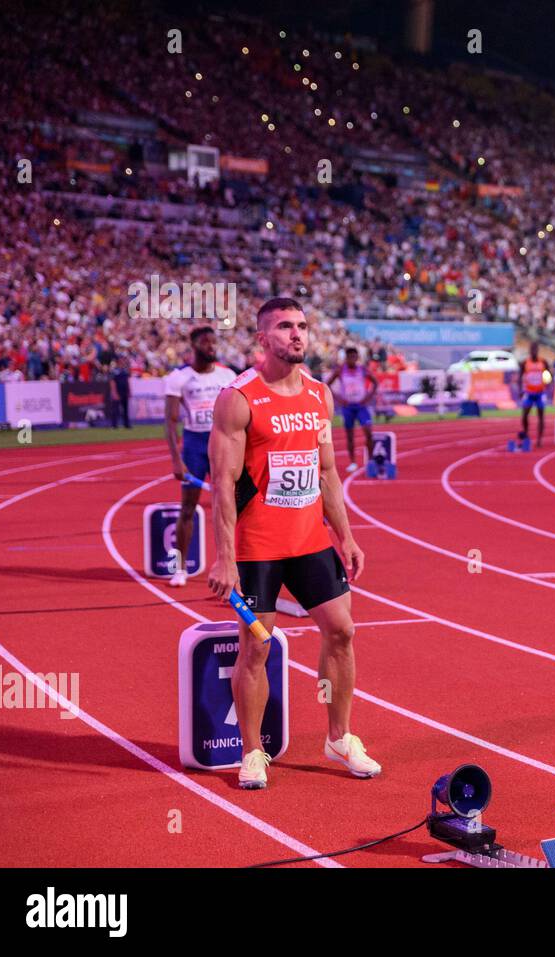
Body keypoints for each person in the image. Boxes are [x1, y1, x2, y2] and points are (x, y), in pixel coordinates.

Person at [207, 297, 379, 790]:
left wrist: (344, 535)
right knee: (257, 649)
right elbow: (222, 483)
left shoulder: (318, 396)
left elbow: (326, 472)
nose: (297, 335)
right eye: (285, 327)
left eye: (302, 326)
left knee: (342, 631)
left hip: (309, 543)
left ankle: (339, 737)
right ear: (263, 339)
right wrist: (224, 558)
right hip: (257, 549)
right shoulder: (238, 398)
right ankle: (253, 751)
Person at [163, 327, 237, 588]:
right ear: (193, 345)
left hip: (223, 443)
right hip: (194, 444)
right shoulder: (179, 378)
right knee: (188, 508)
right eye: (206, 342)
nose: (211, 346)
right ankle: (180, 568)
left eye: (214, 342)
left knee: (232, 507)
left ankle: (234, 564)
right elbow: (171, 423)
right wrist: (176, 460)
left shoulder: (228, 375)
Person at [326, 347, 378, 473]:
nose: (352, 359)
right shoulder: (340, 370)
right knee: (350, 435)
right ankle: (353, 462)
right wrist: (338, 398)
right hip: (347, 407)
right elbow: (327, 384)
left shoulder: (362, 370)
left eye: (354, 357)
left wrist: (368, 397)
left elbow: (375, 382)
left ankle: (370, 461)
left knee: (368, 432)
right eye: (350, 357)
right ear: (346, 358)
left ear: (357, 357)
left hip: (361, 406)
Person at [519, 343, 553, 446]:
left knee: (541, 416)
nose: (534, 352)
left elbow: (549, 375)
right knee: (524, 415)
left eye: (535, 350)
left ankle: (539, 439)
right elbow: (520, 377)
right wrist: (521, 390)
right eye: (532, 350)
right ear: (530, 351)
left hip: (540, 392)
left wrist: (548, 383)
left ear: (537, 350)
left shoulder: (543, 362)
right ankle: (526, 434)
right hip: (529, 392)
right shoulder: (525, 362)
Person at [107, 352, 131, 429]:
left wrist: (129, 391)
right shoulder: (114, 370)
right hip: (118, 391)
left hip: (124, 391)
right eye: (121, 359)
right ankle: (114, 425)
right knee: (115, 409)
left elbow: (127, 381)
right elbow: (112, 382)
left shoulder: (125, 370)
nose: (123, 361)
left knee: (125, 409)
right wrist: (114, 392)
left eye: (123, 359)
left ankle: (126, 424)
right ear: (118, 361)